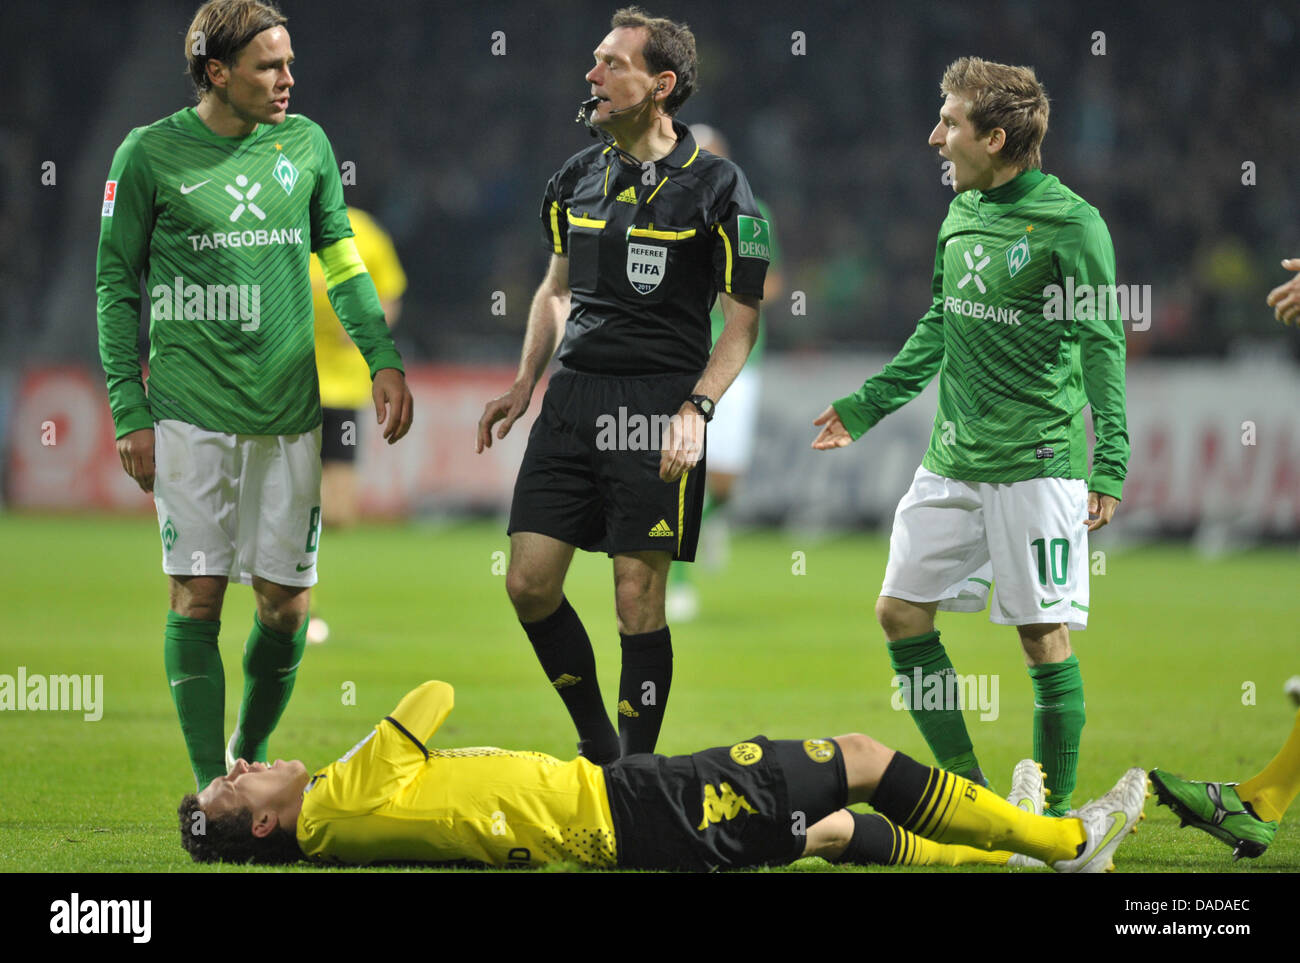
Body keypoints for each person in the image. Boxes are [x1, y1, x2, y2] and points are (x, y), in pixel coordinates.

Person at [96, 0, 413, 789]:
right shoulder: (147, 155)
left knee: (285, 606)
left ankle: (248, 745)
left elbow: (340, 260)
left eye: (289, 61)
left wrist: (381, 355)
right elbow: (114, 286)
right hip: (188, 412)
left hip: (287, 416)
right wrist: (127, 409)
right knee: (197, 593)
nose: (288, 79)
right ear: (217, 73)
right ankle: (212, 785)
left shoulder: (304, 146)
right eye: (269, 66)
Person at [812, 57, 1129, 815]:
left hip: (1038, 460)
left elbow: (1102, 342)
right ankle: (974, 795)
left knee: (1041, 635)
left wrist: (1110, 459)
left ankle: (1053, 822)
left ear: (994, 137)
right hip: (952, 457)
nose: (934, 137)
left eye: (949, 123)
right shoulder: (959, 212)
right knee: (899, 611)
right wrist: (870, 403)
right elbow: (940, 323)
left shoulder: (1073, 224)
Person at [476, 8, 767, 763]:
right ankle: (596, 738)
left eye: (611, 63)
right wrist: (522, 381)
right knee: (528, 584)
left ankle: (637, 774)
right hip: (571, 401)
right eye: (594, 60)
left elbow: (740, 322)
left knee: (637, 598)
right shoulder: (574, 177)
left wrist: (698, 408)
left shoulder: (719, 188)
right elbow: (552, 290)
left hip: (658, 407)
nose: (592, 74)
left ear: (660, 85)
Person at [178, 679, 1148, 871]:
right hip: (627, 816)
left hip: (617, 831)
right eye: (240, 785)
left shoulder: (334, 839)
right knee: (851, 760)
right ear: (264, 826)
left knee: (827, 831)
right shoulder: (339, 801)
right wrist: (358, 753)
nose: (253, 764)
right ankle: (1065, 843)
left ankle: (1006, 860)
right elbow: (432, 695)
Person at [665, 124, 785, 623]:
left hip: (740, 363)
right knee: (685, 468)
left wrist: (741, 286)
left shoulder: (755, 214)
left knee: (726, 481)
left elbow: (772, 284)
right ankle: (678, 580)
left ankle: (711, 523)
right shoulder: (667, 211)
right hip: (688, 358)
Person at [305, 207, 408, 644]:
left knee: (341, 513)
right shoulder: (285, 225)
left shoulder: (366, 234)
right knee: (292, 496)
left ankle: (280, 541)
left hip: (344, 389)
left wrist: (367, 325)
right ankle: (296, 594)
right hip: (292, 383)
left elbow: (390, 295)